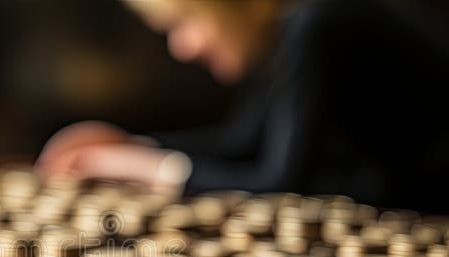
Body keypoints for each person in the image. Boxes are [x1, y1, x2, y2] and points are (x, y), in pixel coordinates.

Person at [36, 0, 449, 211]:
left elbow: (282, 183)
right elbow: (242, 143)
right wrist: (132, 147)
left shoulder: (319, 25)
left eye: (185, 23)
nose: (182, 48)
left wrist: (147, 167)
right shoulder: (290, 31)